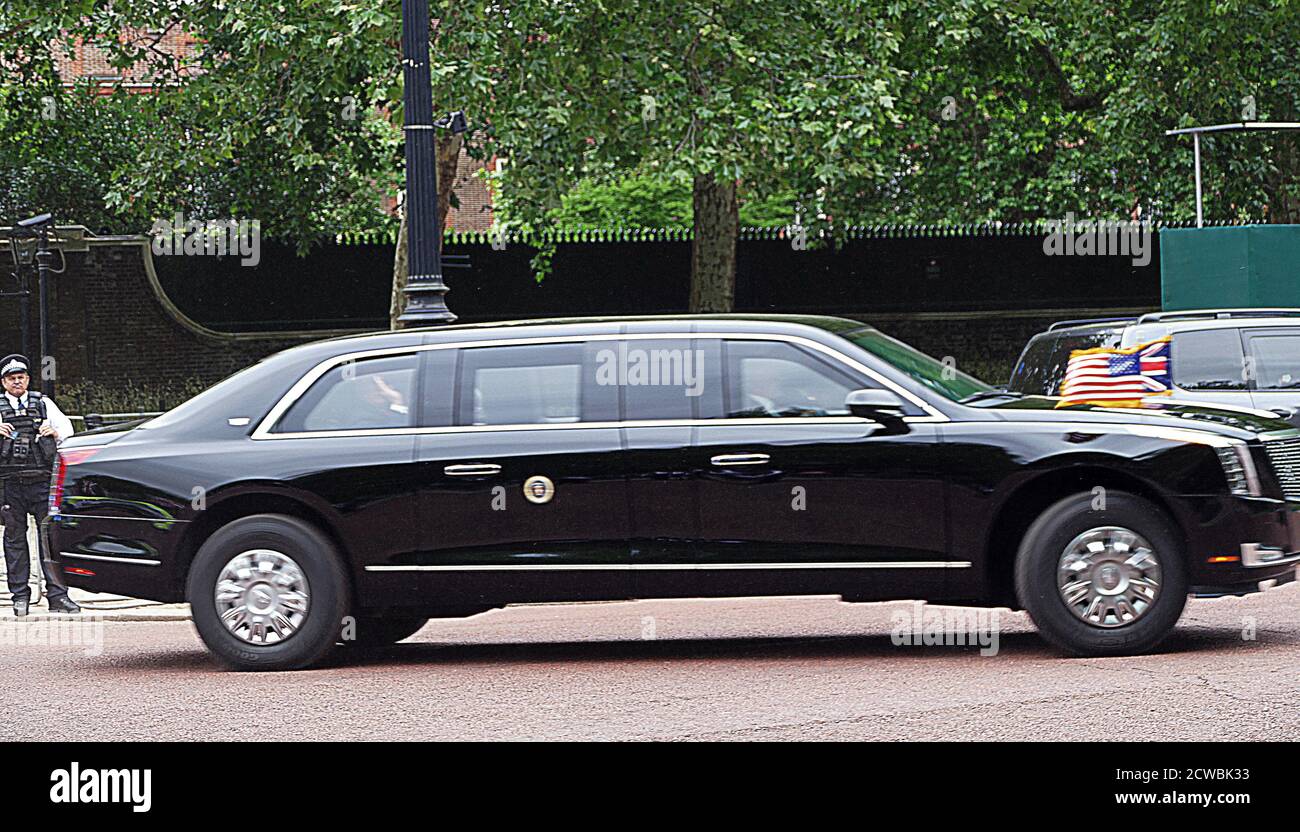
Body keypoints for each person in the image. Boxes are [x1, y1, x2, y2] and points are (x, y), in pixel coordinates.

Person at [0, 354, 79, 616]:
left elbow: (68, 433)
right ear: (4, 382)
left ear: (28, 379)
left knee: (50, 539)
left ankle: (58, 595)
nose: (17, 382)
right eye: (11, 378)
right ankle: (19, 597)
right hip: (10, 484)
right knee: (14, 539)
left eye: (21, 377)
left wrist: (54, 433)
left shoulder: (43, 404)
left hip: (43, 481)